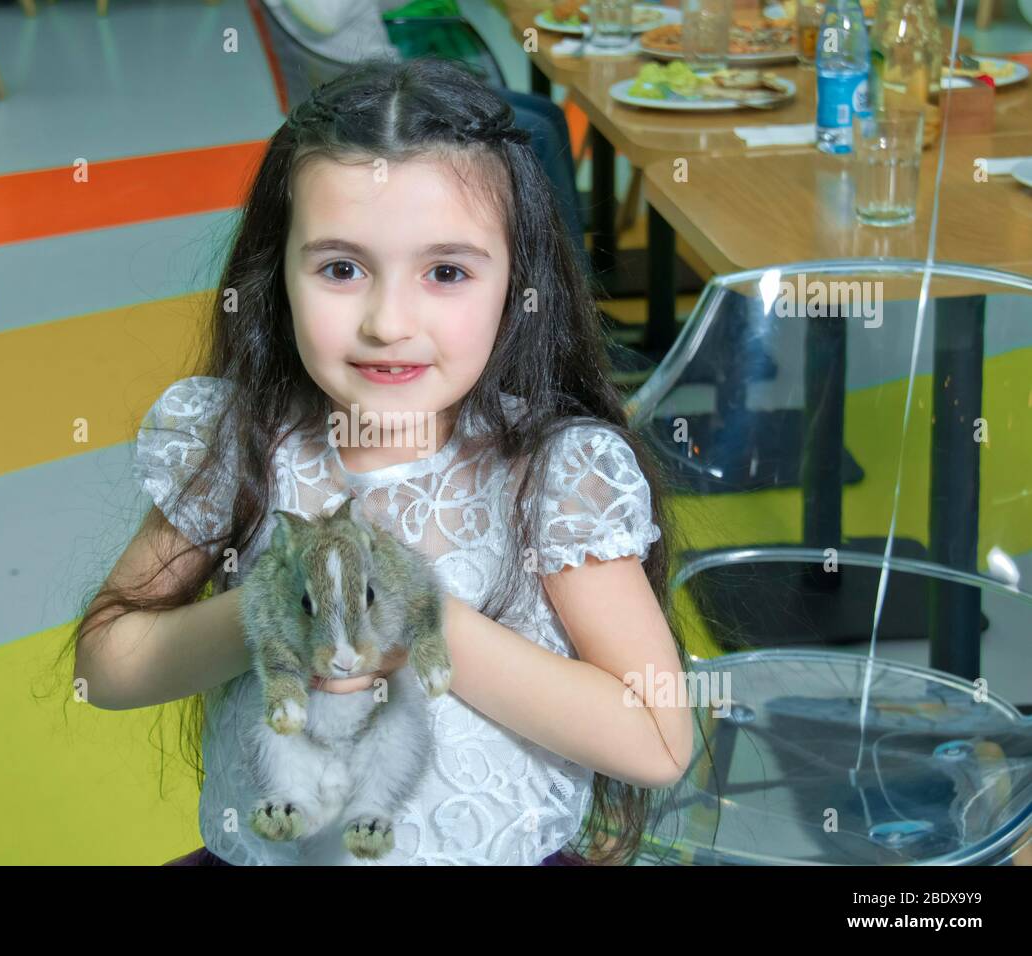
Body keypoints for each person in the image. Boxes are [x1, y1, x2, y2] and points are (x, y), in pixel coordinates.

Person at [72, 58, 703, 865]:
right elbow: (104, 667)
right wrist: (282, 610)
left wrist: (415, 619)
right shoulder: (240, 442)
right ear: (281, 281)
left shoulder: (552, 476)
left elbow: (656, 739)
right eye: (341, 268)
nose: (387, 320)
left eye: (446, 272)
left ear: (516, 284)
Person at [259, 0, 593, 286]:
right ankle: (564, 288)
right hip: (364, 90)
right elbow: (323, 16)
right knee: (538, 132)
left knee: (547, 112)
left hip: (393, 78)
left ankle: (577, 281)